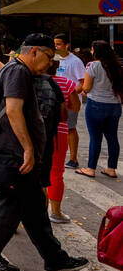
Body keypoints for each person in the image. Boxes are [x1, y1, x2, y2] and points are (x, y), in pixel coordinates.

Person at [0, 33, 88, 271]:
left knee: (35, 207)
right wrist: (27, 149)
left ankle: (54, 259)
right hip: (13, 151)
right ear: (34, 51)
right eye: (48, 57)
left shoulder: (17, 69)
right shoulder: (18, 72)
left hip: (15, 150)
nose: (49, 63)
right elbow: (13, 110)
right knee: (9, 202)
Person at [34, 60, 79, 225]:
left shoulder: (33, 81)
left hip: (36, 131)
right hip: (59, 132)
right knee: (56, 172)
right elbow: (75, 107)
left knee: (34, 170)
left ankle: (35, 211)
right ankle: (56, 212)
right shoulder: (66, 83)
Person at [75, 39, 123, 179]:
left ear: (97, 52)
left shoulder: (93, 65)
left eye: (92, 49)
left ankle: (91, 168)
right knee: (112, 138)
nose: (91, 51)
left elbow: (86, 87)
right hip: (114, 105)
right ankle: (111, 168)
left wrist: (83, 91)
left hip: (96, 104)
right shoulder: (117, 66)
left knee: (95, 138)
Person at [53, 35, 86, 170]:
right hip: (55, 100)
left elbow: (82, 83)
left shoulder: (75, 61)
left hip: (70, 102)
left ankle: (73, 158)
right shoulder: (55, 59)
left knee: (70, 128)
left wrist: (69, 96)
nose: (56, 47)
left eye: (59, 44)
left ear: (67, 45)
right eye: (55, 44)